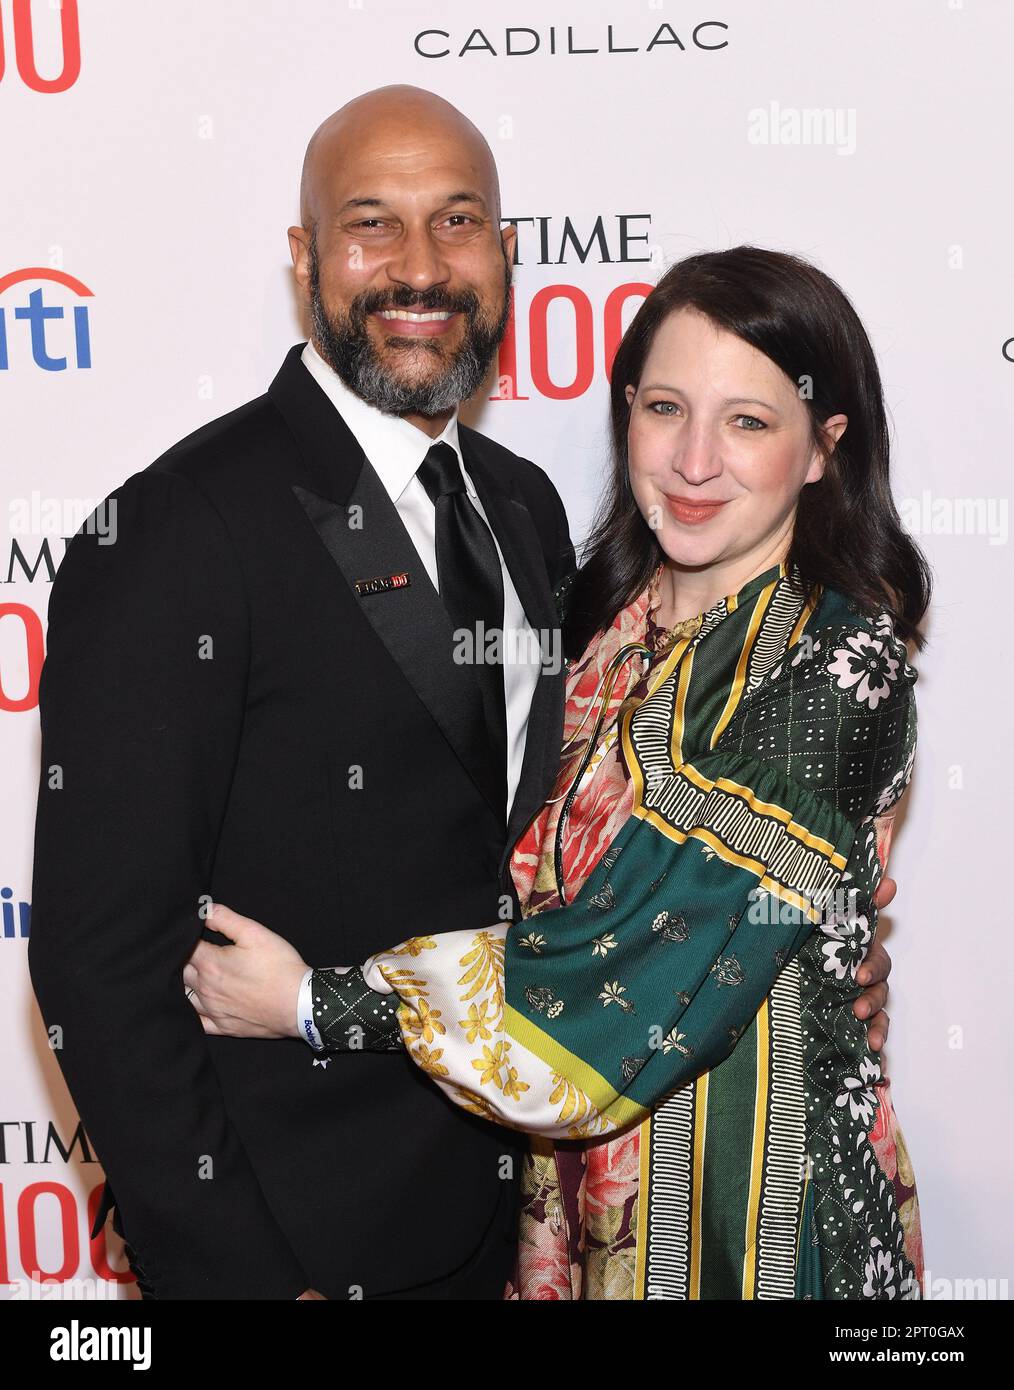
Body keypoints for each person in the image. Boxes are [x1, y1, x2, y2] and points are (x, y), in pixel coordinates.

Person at [29, 83, 894, 1301]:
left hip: (533, 1213)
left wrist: (807, 939)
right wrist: (231, 1266)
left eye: (458, 221)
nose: (419, 267)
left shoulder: (526, 505)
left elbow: (614, 836)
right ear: (305, 258)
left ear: (505, 252)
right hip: (300, 1237)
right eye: (371, 223)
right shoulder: (176, 530)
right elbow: (96, 955)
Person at [188, 245, 930, 1300]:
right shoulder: (596, 622)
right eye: (665, 407)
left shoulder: (835, 666)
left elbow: (615, 986)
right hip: (571, 1219)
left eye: (750, 422)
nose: (694, 461)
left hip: (761, 1231)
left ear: (823, 449)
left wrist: (319, 1000)